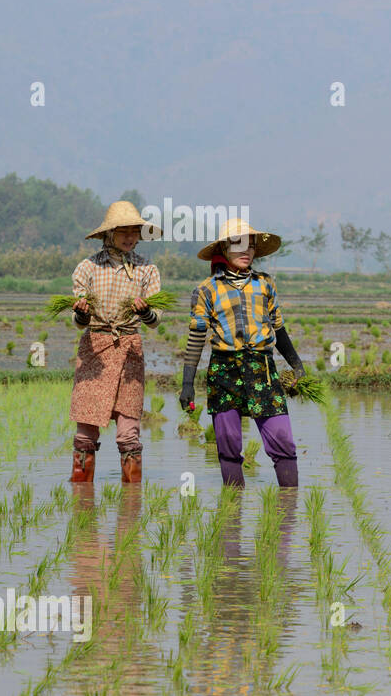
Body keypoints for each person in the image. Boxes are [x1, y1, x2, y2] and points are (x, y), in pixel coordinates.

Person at [179, 219, 305, 488]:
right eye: (237, 245)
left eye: (250, 245)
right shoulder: (207, 289)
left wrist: (297, 365)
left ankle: (289, 506)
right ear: (224, 249)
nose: (245, 250)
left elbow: (279, 328)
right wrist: (187, 384)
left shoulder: (265, 284)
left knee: (282, 439)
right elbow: (196, 337)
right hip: (224, 371)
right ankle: (232, 514)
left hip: (262, 368)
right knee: (228, 443)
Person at [69, 201, 164, 484]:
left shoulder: (147, 269)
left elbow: (156, 319)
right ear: (109, 233)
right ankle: (82, 495)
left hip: (129, 349)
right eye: (123, 230)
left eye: (134, 231)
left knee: (128, 431)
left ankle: (131, 502)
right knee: (86, 430)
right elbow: (77, 322)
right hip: (95, 352)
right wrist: (82, 313)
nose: (129, 236)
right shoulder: (87, 268)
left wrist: (145, 312)